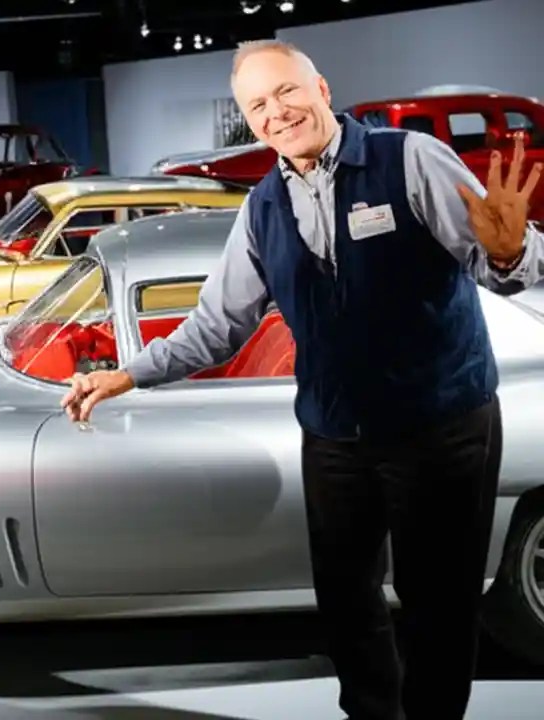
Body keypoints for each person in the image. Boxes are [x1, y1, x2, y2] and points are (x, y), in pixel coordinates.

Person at [63, 40, 543, 720]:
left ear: (320, 86)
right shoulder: (261, 208)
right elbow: (216, 326)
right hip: (335, 438)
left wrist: (516, 250)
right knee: (346, 600)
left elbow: (498, 257)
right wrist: (126, 375)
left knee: (440, 600)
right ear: (249, 122)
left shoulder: (405, 160)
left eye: (286, 92)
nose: (278, 112)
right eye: (258, 105)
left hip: (441, 426)